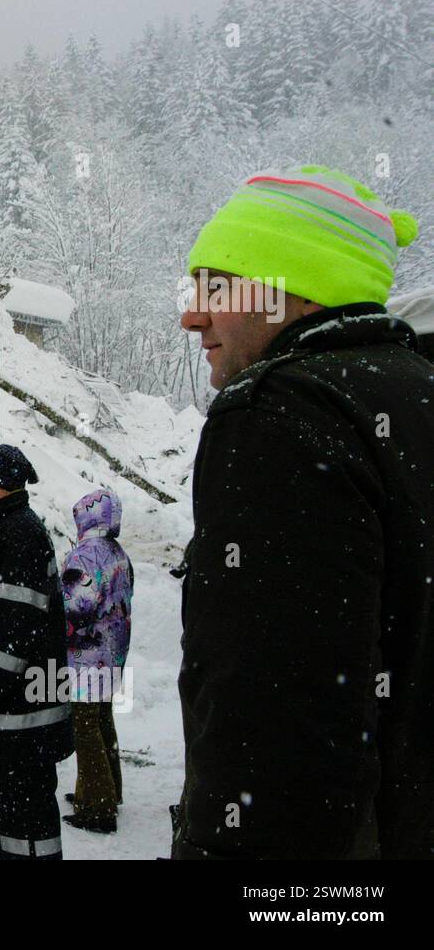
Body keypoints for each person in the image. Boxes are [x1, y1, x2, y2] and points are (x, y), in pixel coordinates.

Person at [174, 165, 431, 859]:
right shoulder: (416, 396)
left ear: (298, 291)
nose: (191, 315)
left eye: (217, 286)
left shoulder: (280, 413)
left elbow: (279, 712)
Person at [0, 445, 73, 859]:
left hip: (19, 717)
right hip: (16, 710)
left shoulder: (19, 535)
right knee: (15, 815)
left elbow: (12, 631)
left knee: (26, 816)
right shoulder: (8, 529)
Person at [60, 488, 132, 834]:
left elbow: (77, 607)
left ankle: (99, 808)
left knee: (84, 726)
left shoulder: (85, 555)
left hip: (85, 656)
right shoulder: (117, 552)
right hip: (113, 652)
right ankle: (106, 789)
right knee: (102, 719)